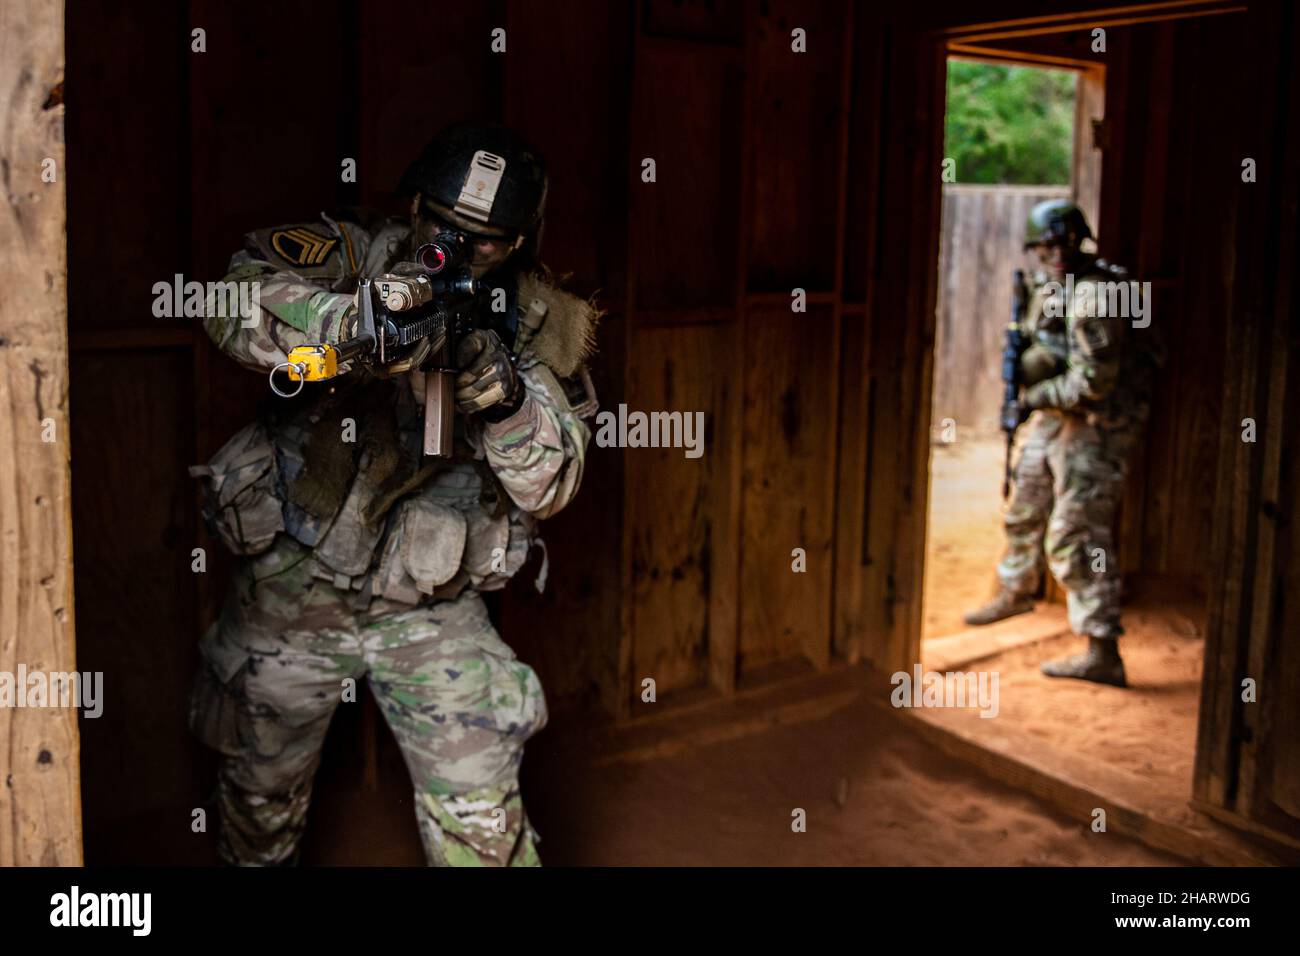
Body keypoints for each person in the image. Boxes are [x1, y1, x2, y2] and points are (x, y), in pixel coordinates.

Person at [187, 122, 599, 865]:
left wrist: (503, 401)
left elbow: (553, 483)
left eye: (486, 239)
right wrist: (347, 322)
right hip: (295, 583)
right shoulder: (351, 254)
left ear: (520, 241)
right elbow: (225, 297)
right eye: (443, 223)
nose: (457, 247)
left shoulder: (540, 320)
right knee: (258, 805)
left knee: (482, 820)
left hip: (431, 607)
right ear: (414, 206)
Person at [962, 199, 1162, 687]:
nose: (1052, 254)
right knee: (1025, 499)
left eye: (1059, 243)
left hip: (1100, 423)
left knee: (1077, 532)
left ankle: (1101, 647)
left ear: (1077, 240)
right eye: (1044, 246)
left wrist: (1032, 396)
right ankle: (1017, 588)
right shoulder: (1056, 288)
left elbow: (1093, 382)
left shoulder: (1096, 295)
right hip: (1061, 415)